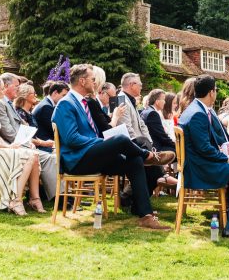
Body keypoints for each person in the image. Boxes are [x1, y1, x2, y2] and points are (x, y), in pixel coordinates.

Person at [51, 63, 172, 230]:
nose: (95, 83)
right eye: (93, 79)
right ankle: (149, 156)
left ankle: (146, 215)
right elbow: (72, 139)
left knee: (134, 160)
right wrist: (103, 142)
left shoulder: (84, 102)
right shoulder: (66, 104)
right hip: (77, 160)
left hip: (90, 155)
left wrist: (103, 141)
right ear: (82, 81)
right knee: (121, 139)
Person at [179, 75, 229, 239]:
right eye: (215, 90)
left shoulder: (196, 108)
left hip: (201, 163)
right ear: (211, 93)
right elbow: (204, 148)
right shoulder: (197, 114)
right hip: (200, 168)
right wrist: (224, 158)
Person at [0, 77, 44, 215]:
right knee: (27, 156)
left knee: (33, 155)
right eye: (2, 88)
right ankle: (16, 200)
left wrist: (11, 146)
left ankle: (35, 198)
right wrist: (7, 147)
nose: (4, 90)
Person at [0, 73, 57, 200]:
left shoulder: (9, 103)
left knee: (50, 156)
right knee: (48, 157)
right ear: (6, 86)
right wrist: (26, 143)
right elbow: (8, 132)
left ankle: (49, 196)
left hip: (22, 143)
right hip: (12, 146)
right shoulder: (1, 103)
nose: (18, 89)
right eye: (16, 86)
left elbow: (21, 128)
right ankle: (56, 197)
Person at [32, 80, 68, 152]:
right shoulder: (46, 107)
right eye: (63, 95)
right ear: (55, 93)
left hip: (48, 142)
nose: (65, 99)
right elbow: (55, 130)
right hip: (45, 145)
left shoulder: (47, 104)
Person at [141, 88, 176, 153]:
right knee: (183, 151)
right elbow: (162, 136)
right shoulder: (153, 114)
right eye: (163, 100)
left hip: (152, 145)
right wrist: (175, 145)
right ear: (157, 101)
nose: (165, 102)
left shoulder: (147, 111)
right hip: (156, 148)